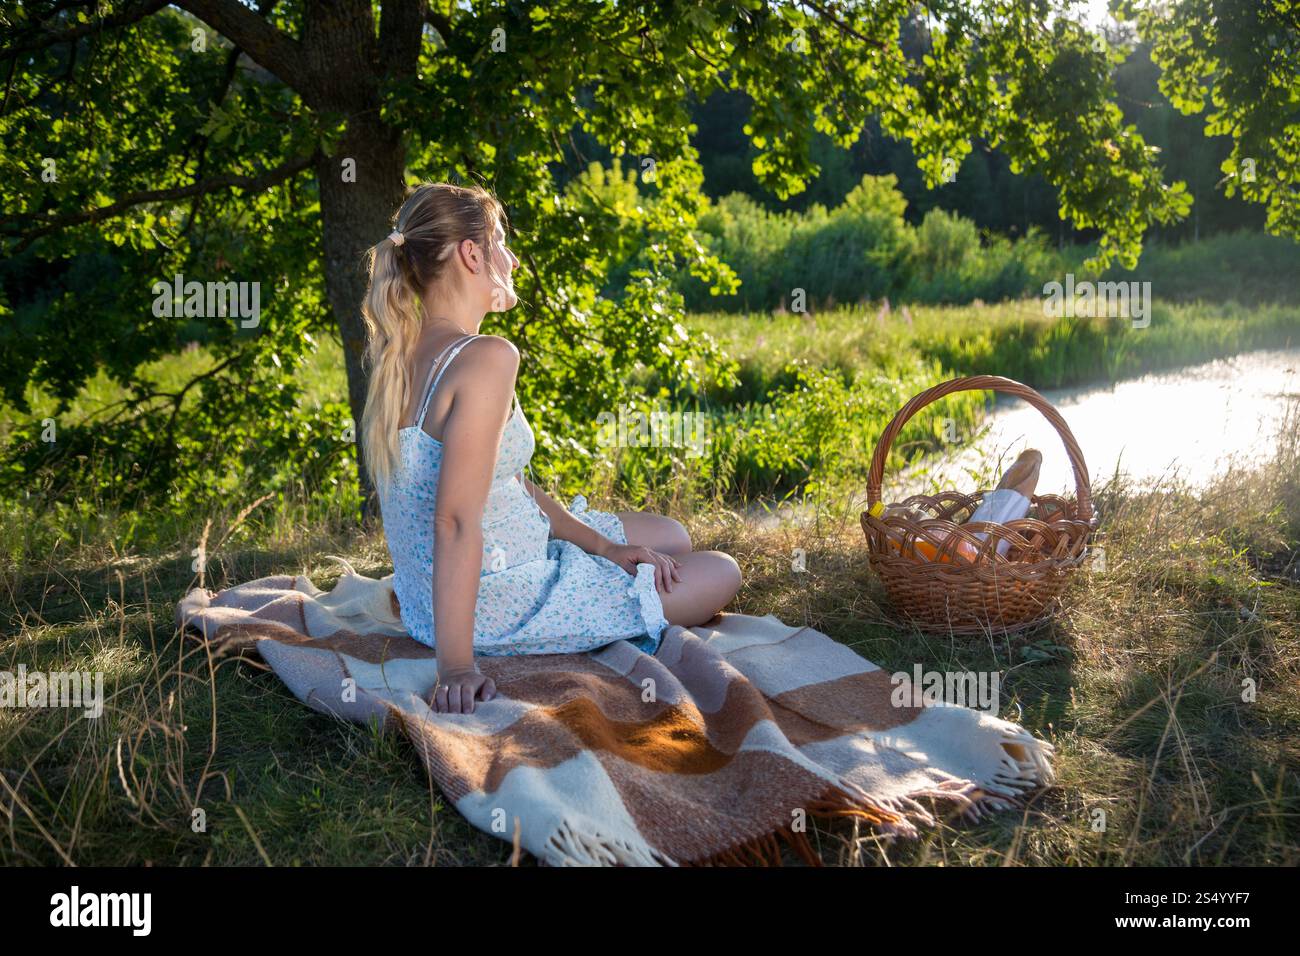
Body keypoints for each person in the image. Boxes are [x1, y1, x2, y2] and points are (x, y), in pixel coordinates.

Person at [359, 183, 743, 715]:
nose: (511, 259)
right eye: (500, 242)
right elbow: (454, 520)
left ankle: (603, 557)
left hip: (432, 601)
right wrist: (456, 667)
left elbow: (501, 485)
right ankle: (577, 596)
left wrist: (604, 549)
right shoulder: (486, 357)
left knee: (670, 536)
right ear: (471, 254)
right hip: (497, 602)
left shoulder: (400, 355)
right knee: (723, 569)